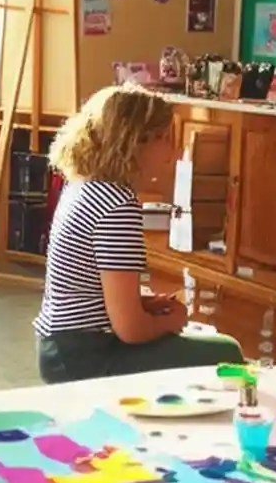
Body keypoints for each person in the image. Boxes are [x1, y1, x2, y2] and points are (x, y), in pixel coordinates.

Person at [34, 84, 244, 383]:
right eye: (161, 138)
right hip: (86, 357)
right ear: (133, 142)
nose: (170, 150)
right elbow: (130, 330)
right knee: (227, 352)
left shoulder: (83, 187)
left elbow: (86, 293)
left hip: (60, 348)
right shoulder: (117, 205)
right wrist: (173, 320)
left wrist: (143, 304)